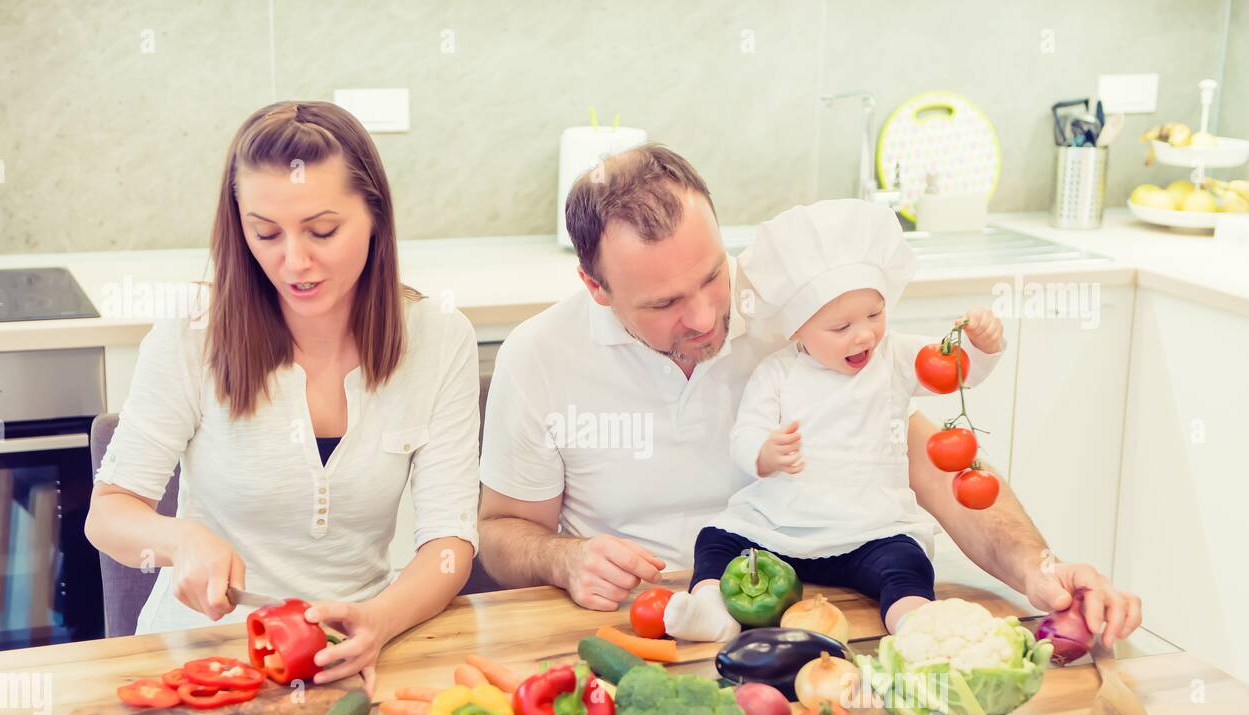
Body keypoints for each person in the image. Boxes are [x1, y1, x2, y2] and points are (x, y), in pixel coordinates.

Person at [478, 144, 1141, 648]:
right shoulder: (541, 355)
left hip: (825, 622)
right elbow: (503, 531)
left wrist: (1040, 566)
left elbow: (934, 462)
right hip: (650, 634)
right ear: (597, 287)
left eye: (712, 276)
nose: (708, 318)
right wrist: (565, 558)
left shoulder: (796, 314)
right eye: (665, 303)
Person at [85, 101, 480, 694]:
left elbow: (449, 543)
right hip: (202, 667)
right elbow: (108, 514)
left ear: (374, 216)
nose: (294, 262)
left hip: (353, 656)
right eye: (265, 233)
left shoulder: (439, 337)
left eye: (323, 231)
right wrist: (179, 539)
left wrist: (380, 619)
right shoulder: (192, 335)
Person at [667, 199, 1005, 643]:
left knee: (907, 562)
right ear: (797, 330)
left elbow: (955, 371)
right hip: (781, 528)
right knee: (716, 540)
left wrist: (981, 347)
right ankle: (712, 611)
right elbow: (745, 434)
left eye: (874, 314)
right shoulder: (778, 372)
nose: (864, 334)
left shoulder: (895, 356)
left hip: (871, 529)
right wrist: (763, 453)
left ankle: (914, 623)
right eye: (841, 327)